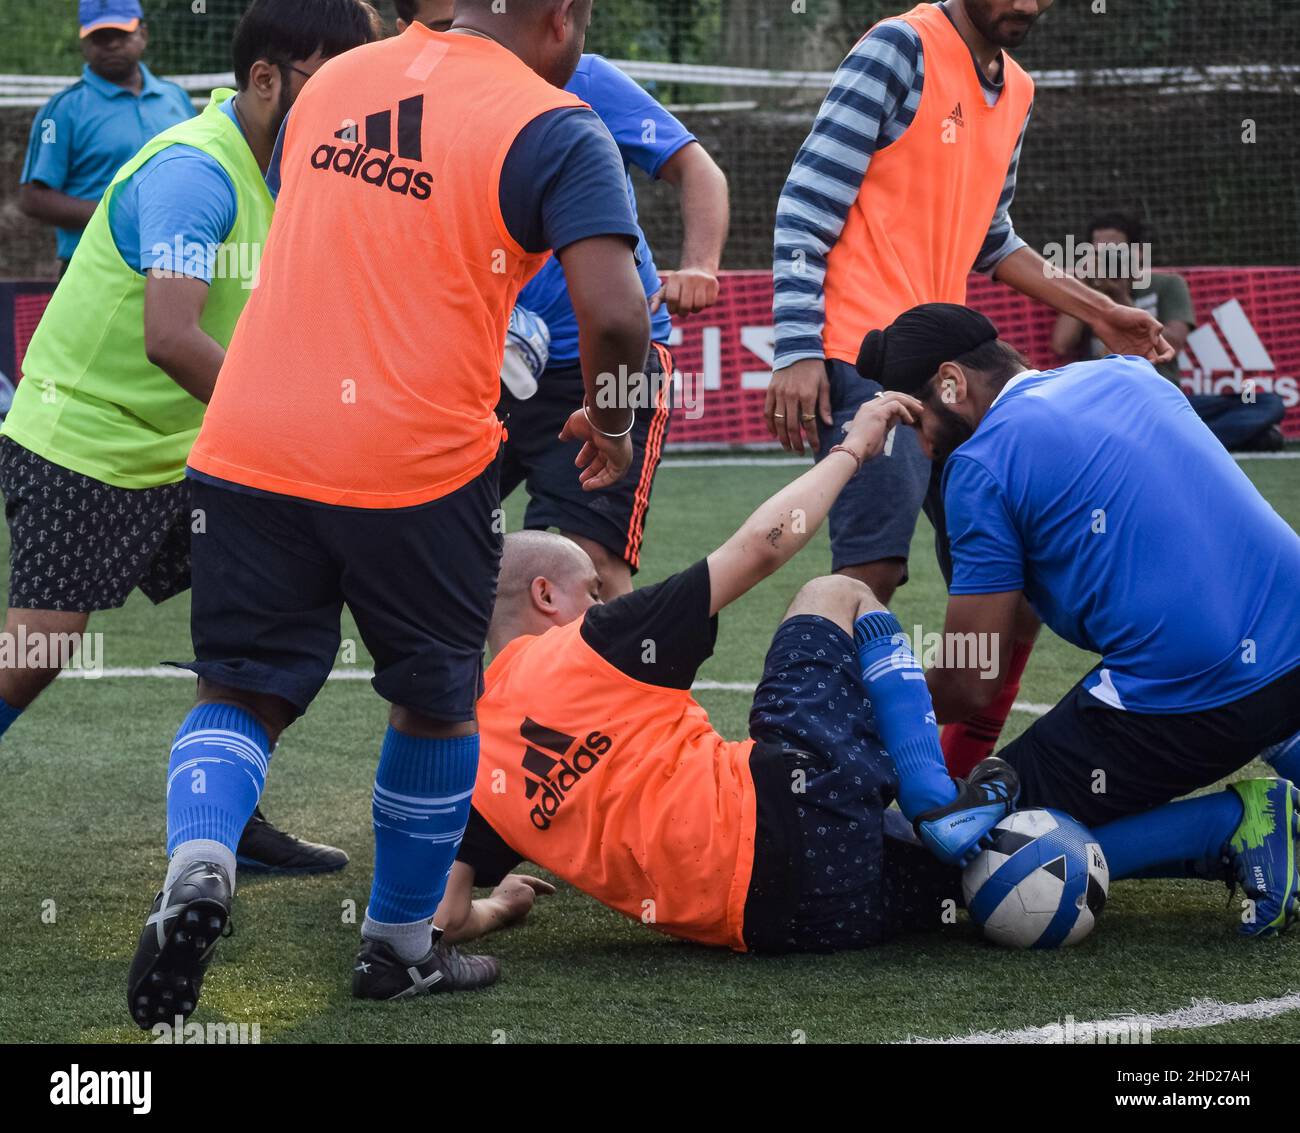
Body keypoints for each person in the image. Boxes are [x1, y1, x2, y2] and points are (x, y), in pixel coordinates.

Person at [125, 0, 654, 1028]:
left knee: (242, 689)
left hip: (249, 441)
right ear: (563, 14)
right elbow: (616, 312)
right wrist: (611, 421)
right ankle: (398, 946)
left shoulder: (334, 83)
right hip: (411, 464)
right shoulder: (556, 125)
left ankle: (199, 864)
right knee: (433, 699)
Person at [430, 395, 1296, 965]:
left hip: (793, 927)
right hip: (799, 813)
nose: (610, 592)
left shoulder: (476, 767)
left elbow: (439, 919)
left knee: (987, 884)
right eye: (592, 584)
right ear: (547, 597)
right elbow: (762, 547)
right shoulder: (593, 644)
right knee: (835, 591)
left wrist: (501, 909)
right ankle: (932, 797)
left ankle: (1231, 825)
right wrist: (850, 449)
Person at [763, 0, 1172, 779]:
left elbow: (994, 239)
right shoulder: (895, 52)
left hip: (955, 368)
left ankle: (947, 777)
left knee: (1013, 570)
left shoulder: (1016, 90)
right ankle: (810, 777)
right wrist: (795, 350)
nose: (1027, 1)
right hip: (868, 358)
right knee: (871, 574)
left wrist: (1103, 310)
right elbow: (804, 204)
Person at [0, 0, 378, 872]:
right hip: (84, 439)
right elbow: (171, 336)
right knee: (38, 647)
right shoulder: (194, 170)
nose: (343, 113)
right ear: (265, 79)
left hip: (189, 449)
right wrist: (292, 422)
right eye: (328, 87)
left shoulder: (292, 171)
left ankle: (223, 814)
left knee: (258, 616)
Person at [854, 302, 1300, 935]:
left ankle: (1231, 827)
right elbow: (1019, 628)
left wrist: (867, 712)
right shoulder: (1127, 374)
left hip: (1201, 687)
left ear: (952, 381)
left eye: (915, 419)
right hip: (1288, 640)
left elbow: (969, 681)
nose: (919, 444)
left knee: (977, 863)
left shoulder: (979, 466)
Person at [384, 0, 730, 597]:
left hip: (601, 361)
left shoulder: (584, 82)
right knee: (431, 554)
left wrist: (701, 265)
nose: (467, 42)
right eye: (441, 29)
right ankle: (460, 704)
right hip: (483, 368)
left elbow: (700, 170)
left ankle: (613, 704)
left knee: (583, 566)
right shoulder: (405, 100)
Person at [1052, 212, 1286, 452]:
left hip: (1163, 399)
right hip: (1107, 401)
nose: (1107, 258)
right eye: (1098, 251)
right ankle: (1195, 440)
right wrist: (1082, 287)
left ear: (1138, 253)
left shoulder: (1168, 285)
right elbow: (1061, 345)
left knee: (1266, 403)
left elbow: (1173, 345)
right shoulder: (1083, 289)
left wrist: (1121, 296)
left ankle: (1161, 440)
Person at [19, 0, 195, 272]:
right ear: (84, 43)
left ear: (143, 34)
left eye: (120, 34)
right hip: (93, 265)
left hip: (173, 260)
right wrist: (117, 215)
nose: (111, 44)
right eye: (100, 37)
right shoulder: (62, 111)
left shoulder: (174, 98)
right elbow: (33, 198)